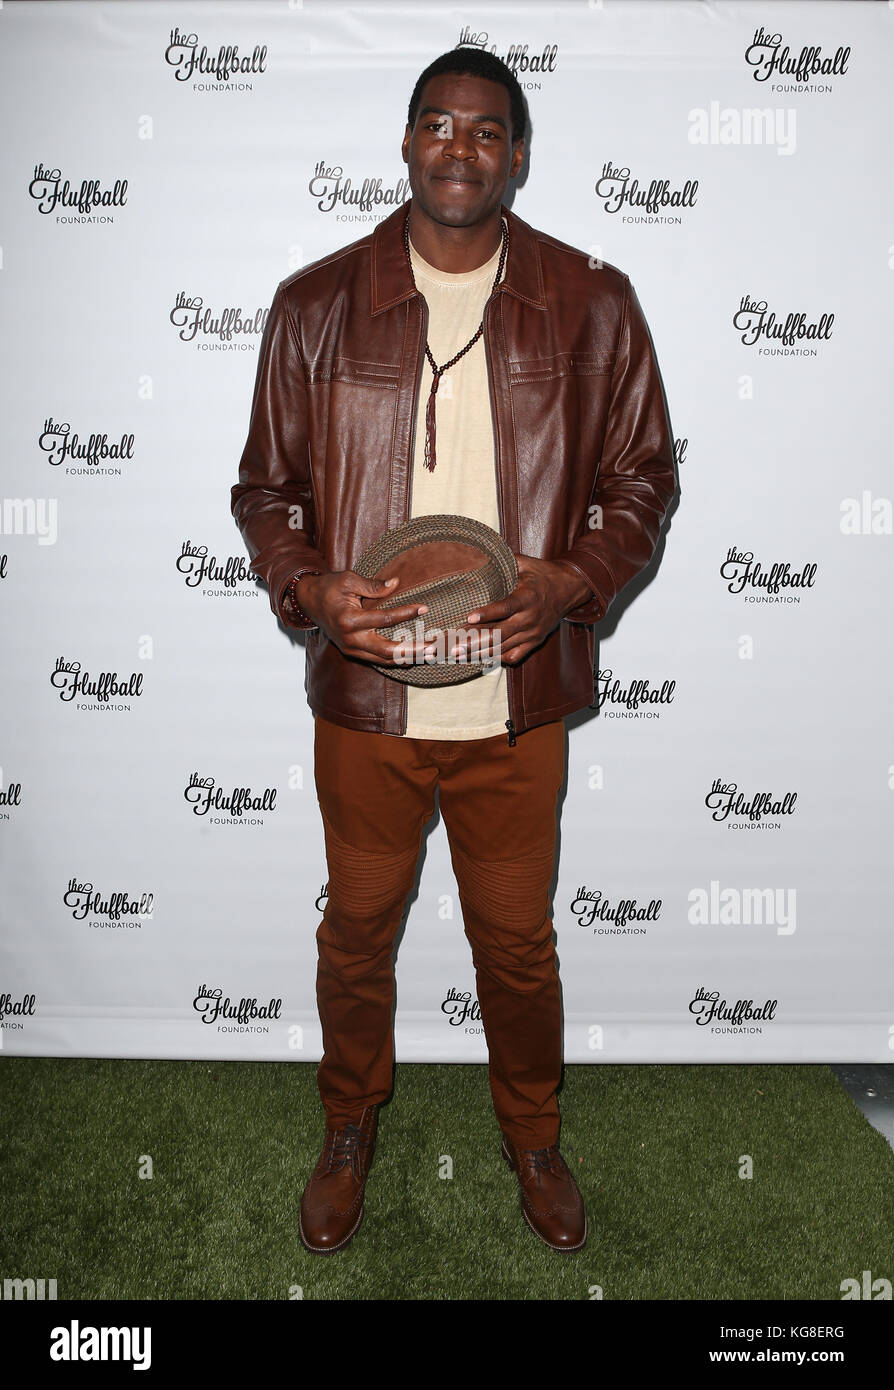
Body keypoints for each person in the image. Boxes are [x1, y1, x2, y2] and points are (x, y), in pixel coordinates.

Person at [231, 46, 676, 1255]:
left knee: (518, 948)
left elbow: (643, 479)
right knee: (356, 936)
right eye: (439, 124)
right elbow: (265, 493)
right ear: (407, 141)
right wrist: (312, 587)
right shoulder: (315, 305)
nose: (461, 149)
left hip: (513, 702)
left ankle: (534, 1133)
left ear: (518, 153)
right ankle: (347, 1122)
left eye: (488, 131)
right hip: (370, 707)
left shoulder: (594, 302)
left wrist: (575, 581)